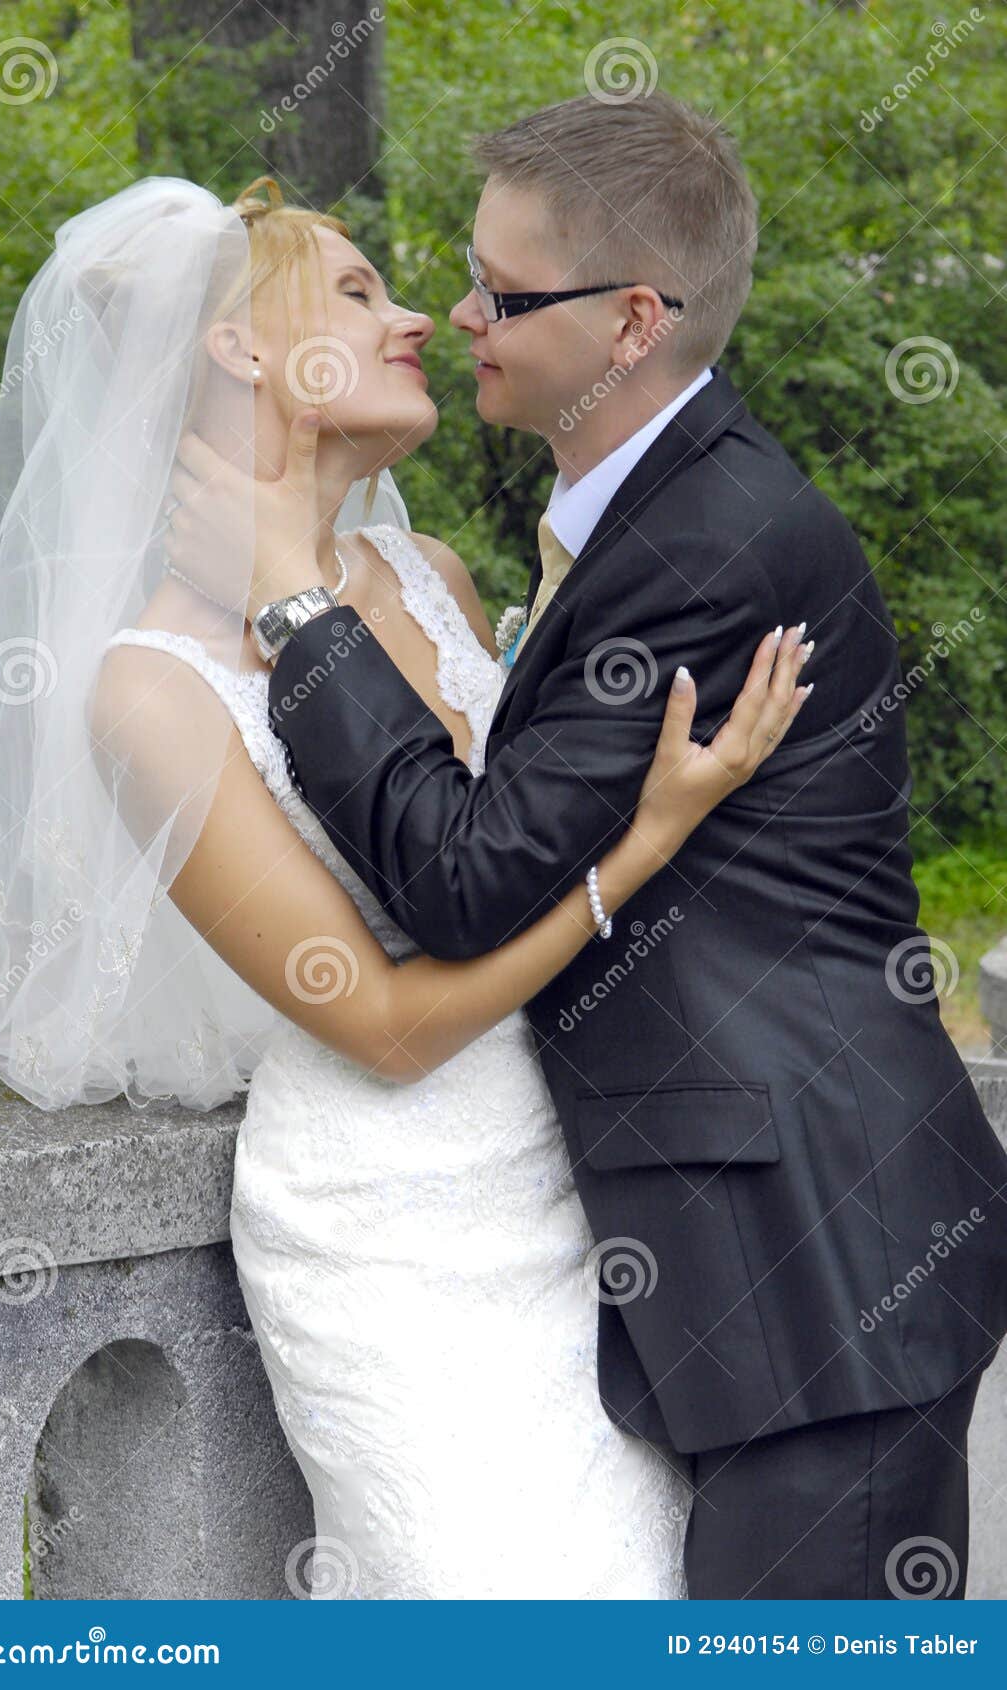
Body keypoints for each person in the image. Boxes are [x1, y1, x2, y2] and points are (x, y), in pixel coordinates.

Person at [172, 94, 1007, 1600]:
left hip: (817, 1264)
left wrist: (296, 602)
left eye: (504, 290)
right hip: (646, 1255)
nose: (462, 312)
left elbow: (463, 874)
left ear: (630, 323)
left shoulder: (706, 538)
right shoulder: (622, 511)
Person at [0, 173, 808, 1600]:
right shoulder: (150, 688)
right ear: (241, 348)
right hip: (397, 1228)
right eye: (358, 292)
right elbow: (383, 1025)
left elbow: (484, 855)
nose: (420, 314)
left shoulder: (428, 575)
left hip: (586, 1202)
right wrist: (643, 845)